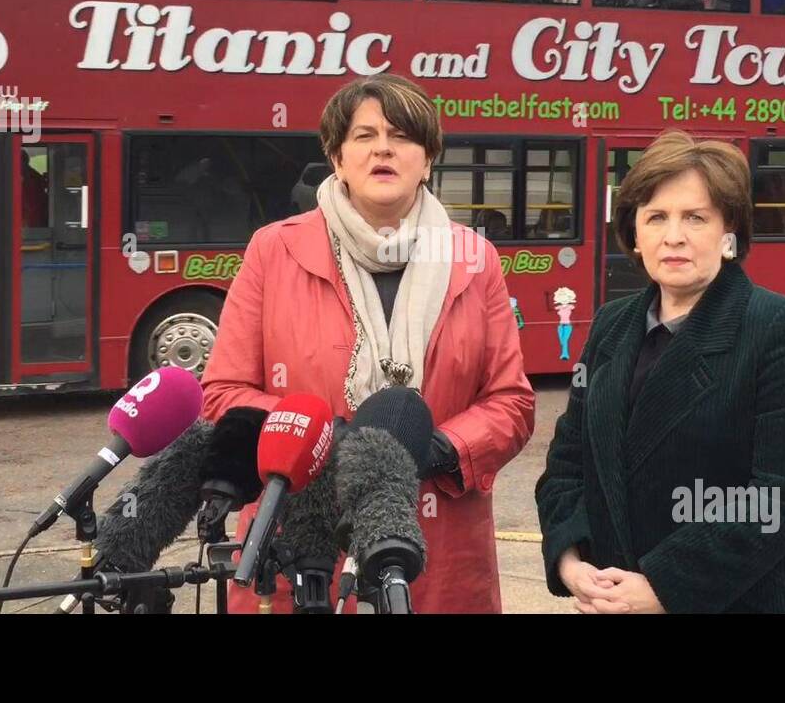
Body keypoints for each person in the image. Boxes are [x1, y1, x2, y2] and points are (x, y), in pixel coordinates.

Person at [202, 73, 535, 613]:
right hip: (301, 547)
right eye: (364, 135)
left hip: (437, 550)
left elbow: (512, 404)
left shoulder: (477, 260)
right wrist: (317, 436)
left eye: (403, 136)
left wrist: (438, 447)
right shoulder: (273, 251)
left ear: (428, 160)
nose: (383, 147)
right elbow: (223, 394)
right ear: (338, 159)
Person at [536, 130, 785, 613]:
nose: (673, 235)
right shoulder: (612, 325)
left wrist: (663, 586)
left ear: (729, 231)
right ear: (635, 233)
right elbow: (569, 464)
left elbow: (782, 496)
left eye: (695, 217)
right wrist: (571, 560)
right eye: (655, 217)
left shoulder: (780, 328)